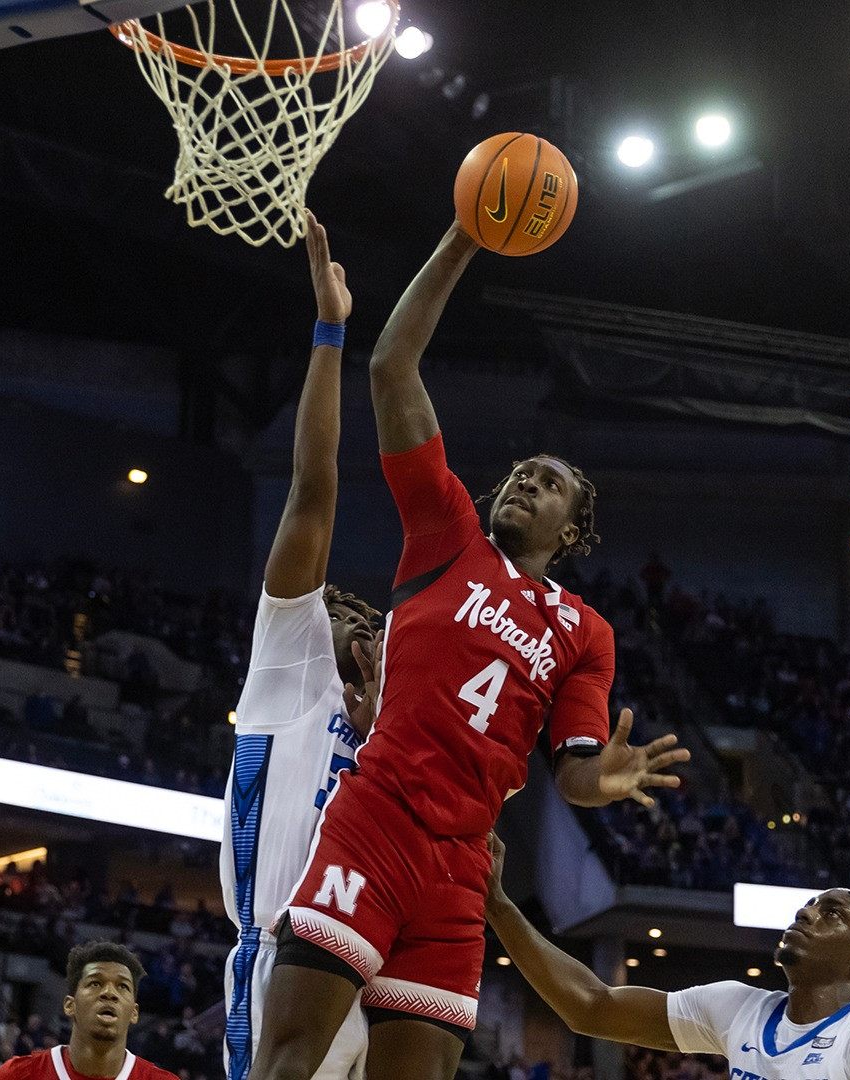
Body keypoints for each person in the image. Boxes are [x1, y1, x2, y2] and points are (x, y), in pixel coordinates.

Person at [247, 222, 689, 1080]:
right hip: (376, 822)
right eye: (521, 470)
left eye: (548, 480)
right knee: (289, 1061)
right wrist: (464, 236)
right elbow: (391, 369)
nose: (525, 478)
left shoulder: (585, 632)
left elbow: (575, 769)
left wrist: (607, 781)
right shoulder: (448, 533)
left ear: (573, 528)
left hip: (461, 870)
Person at [222, 212, 381, 1080]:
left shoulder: (394, 729)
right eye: (350, 614)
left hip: (377, 976)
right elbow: (313, 488)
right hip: (283, 963)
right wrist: (331, 330)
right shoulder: (294, 660)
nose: (370, 629)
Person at [483, 834, 850, 1080]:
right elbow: (591, 1006)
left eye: (831, 912)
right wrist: (499, 907)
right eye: (812, 903)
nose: (806, 911)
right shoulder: (739, 1008)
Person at [0, 944, 177, 1080]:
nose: (109, 993)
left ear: (134, 1013)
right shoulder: (17, 1075)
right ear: (70, 1005)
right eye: (95, 983)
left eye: (122, 986)